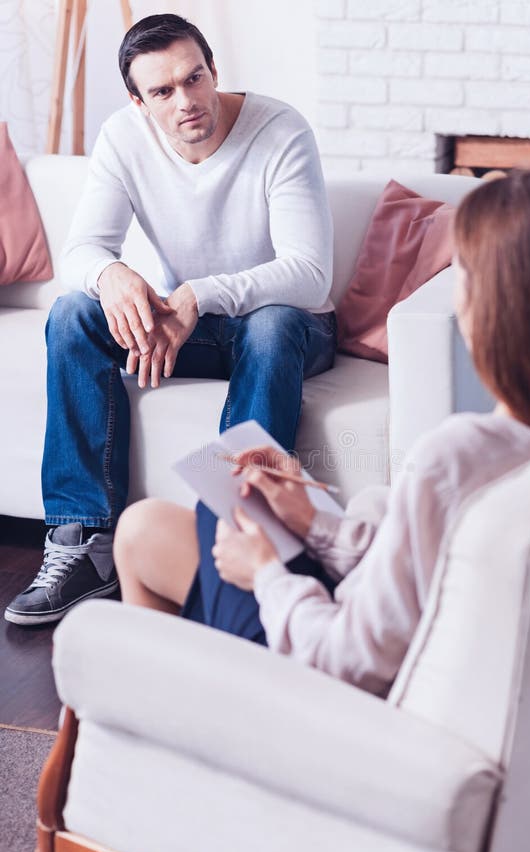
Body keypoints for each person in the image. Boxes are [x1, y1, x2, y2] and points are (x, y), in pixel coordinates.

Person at [96, 170, 530, 696]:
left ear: (488, 314)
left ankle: (171, 725)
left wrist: (266, 574)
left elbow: (351, 660)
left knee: (219, 506)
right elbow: (422, 570)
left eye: (462, 277)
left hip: (336, 691)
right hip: (375, 625)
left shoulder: (453, 458)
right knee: (147, 526)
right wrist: (315, 524)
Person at [5, 14, 336, 627]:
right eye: (162, 92)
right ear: (138, 102)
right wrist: (113, 276)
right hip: (189, 323)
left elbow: (309, 273)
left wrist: (197, 295)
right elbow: (82, 252)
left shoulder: (280, 130)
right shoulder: (123, 138)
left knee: (271, 325)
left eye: (195, 79)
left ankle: (244, 542)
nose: (186, 101)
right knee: (74, 312)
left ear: (214, 72)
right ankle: (84, 548)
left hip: (290, 329)